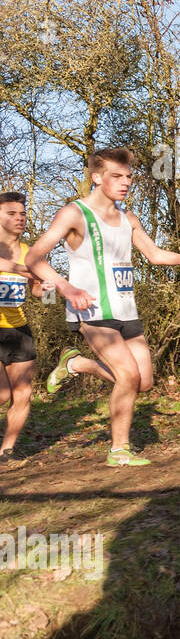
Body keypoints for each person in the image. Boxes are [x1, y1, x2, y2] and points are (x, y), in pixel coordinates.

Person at [26, 147, 180, 466]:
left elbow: (155, 255)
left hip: (127, 311)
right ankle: (119, 450)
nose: (125, 181)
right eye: (117, 176)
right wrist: (66, 287)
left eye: (128, 176)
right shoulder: (74, 213)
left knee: (142, 382)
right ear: (97, 177)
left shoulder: (129, 218)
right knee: (126, 374)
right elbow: (34, 257)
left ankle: (76, 365)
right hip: (91, 311)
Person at [0, 192, 46, 461]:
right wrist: (22, 269)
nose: (19, 218)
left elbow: (38, 292)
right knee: (3, 394)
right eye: (11, 213)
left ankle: (7, 450)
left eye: (22, 213)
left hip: (19, 331)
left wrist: (44, 285)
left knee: (23, 394)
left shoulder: (30, 252)